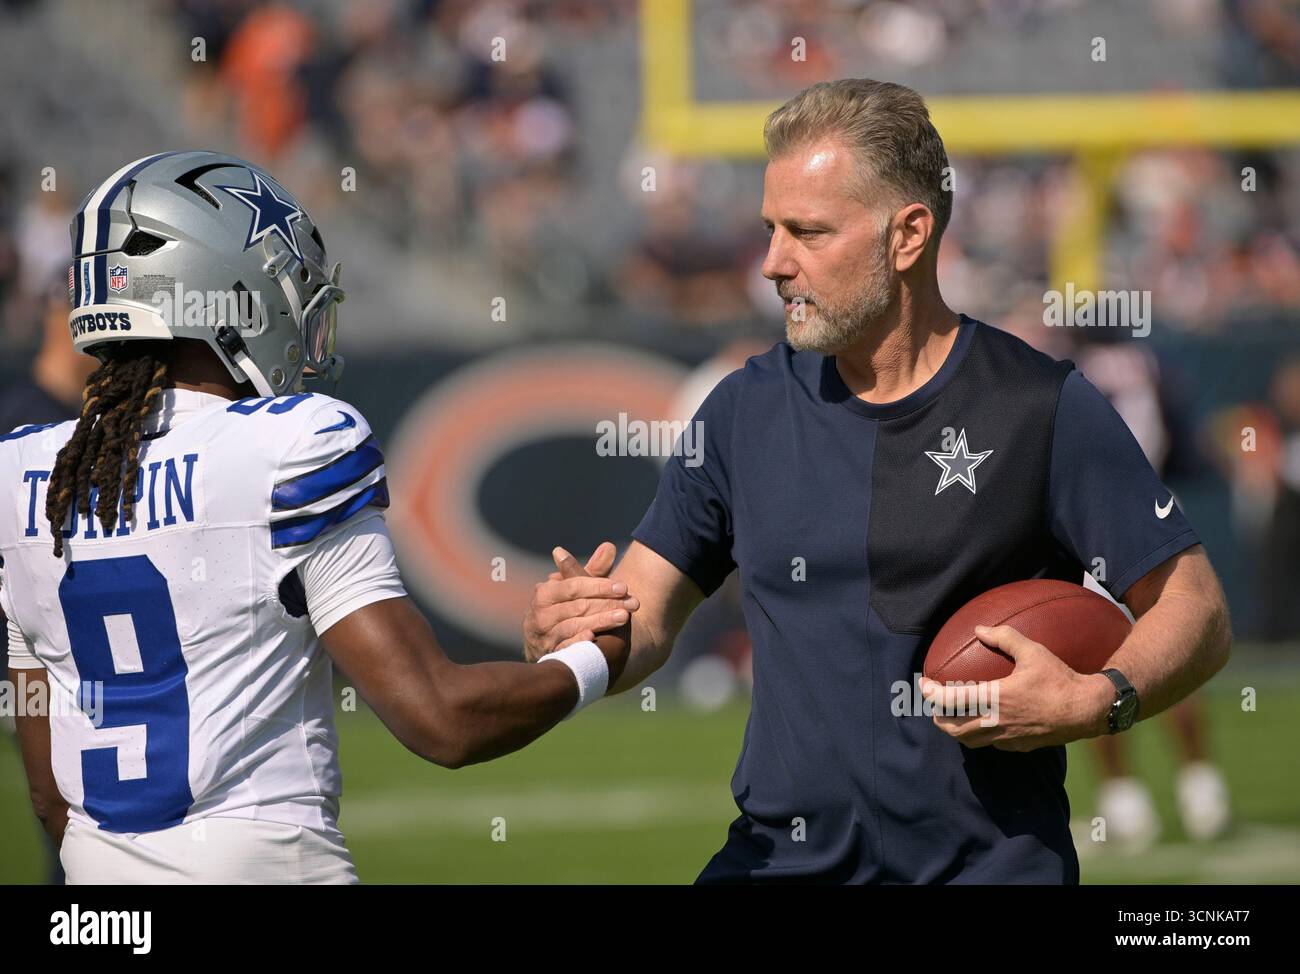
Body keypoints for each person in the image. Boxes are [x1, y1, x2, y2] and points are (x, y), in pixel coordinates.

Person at [524, 79, 1231, 884]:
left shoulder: (1040, 405)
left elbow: (1197, 607)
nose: (772, 263)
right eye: (769, 229)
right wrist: (578, 636)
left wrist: (1100, 699)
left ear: (909, 236)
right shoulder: (739, 411)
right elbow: (642, 618)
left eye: (807, 232)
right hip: (775, 865)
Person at [1, 150, 632, 884]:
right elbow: (443, 719)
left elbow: (50, 795)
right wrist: (595, 660)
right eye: (280, 288)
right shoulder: (290, 447)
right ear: (221, 294)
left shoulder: (21, 476)